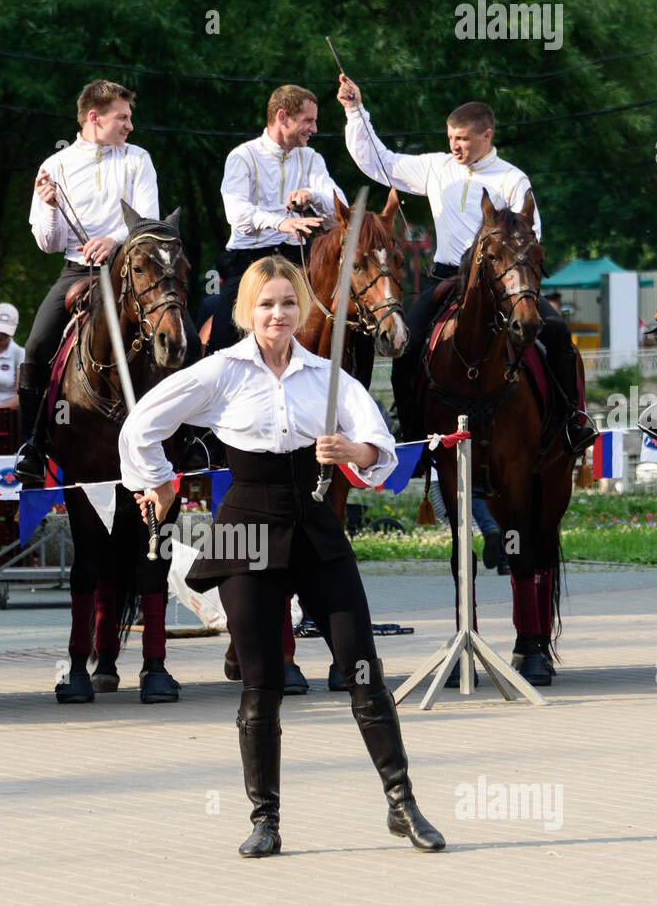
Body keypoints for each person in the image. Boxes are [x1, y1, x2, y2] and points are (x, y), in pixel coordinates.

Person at [120, 254, 446, 858]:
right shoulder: (219, 373)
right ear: (248, 310)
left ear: (303, 309)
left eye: (288, 303)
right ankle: (264, 820)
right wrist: (157, 481)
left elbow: (382, 449)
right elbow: (140, 423)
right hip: (244, 528)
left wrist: (356, 450)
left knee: (363, 669)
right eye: (266, 303)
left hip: (315, 526)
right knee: (261, 680)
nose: (278, 313)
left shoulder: (328, 377)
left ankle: (403, 806)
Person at [338, 76, 598, 455]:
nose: (454, 146)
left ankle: (571, 423)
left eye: (462, 138)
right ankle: (412, 438)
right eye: (450, 138)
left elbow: (530, 236)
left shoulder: (512, 178)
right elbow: (378, 160)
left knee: (556, 332)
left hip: (503, 284)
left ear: (486, 136)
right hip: (448, 279)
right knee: (406, 349)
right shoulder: (435, 167)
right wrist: (354, 110)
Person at [14, 79, 160, 483]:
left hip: (131, 269)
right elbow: (48, 244)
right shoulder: (55, 166)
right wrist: (46, 208)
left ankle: (191, 435)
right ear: (94, 117)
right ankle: (30, 444)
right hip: (78, 271)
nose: (130, 126)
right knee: (37, 346)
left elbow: (147, 222)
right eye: (122, 118)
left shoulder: (138, 159)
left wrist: (113, 240)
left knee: (174, 325)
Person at [206, 84, 346, 354]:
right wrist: (281, 222)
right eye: (308, 120)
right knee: (223, 335)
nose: (314, 129)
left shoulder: (311, 158)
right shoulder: (242, 156)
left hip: (299, 260)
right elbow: (236, 213)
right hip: (249, 260)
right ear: (282, 117)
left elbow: (341, 210)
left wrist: (311, 195)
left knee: (348, 321)